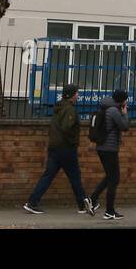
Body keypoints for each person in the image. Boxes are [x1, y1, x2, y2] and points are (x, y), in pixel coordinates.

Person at [24, 83, 94, 216]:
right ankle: (83, 204)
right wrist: (74, 141)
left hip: (54, 147)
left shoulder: (59, 107)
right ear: (72, 95)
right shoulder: (70, 110)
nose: (78, 95)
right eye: (77, 93)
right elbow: (66, 128)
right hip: (66, 148)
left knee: (48, 176)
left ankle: (32, 202)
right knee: (75, 177)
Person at [88, 88, 131, 221]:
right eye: (125, 99)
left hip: (103, 148)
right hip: (109, 149)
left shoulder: (107, 107)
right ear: (122, 100)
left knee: (110, 177)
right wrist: (125, 113)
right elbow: (125, 127)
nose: (126, 101)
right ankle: (109, 211)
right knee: (114, 179)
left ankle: (92, 199)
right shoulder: (113, 111)